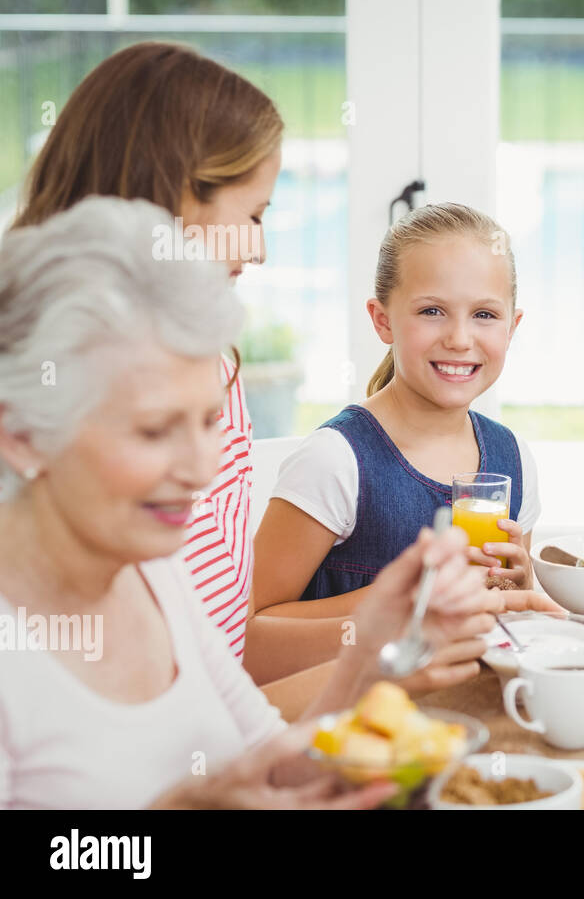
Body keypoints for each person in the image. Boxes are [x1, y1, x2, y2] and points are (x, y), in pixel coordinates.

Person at [0, 198, 544, 808]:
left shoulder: (156, 576)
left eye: (209, 420)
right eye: (153, 431)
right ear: (19, 435)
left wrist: (372, 656)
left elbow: (265, 759)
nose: (203, 467)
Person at [11, 41, 284, 657]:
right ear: (178, 202)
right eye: (254, 215)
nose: (258, 249)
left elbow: (222, 661)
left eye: (206, 423)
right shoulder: (47, 395)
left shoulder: (213, 363)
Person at [248, 203, 543, 684]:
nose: (460, 338)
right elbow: (243, 642)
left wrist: (517, 585)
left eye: (485, 314)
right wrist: (397, 610)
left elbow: (499, 617)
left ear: (512, 326)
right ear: (382, 320)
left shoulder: (515, 461)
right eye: (432, 311)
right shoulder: (336, 461)